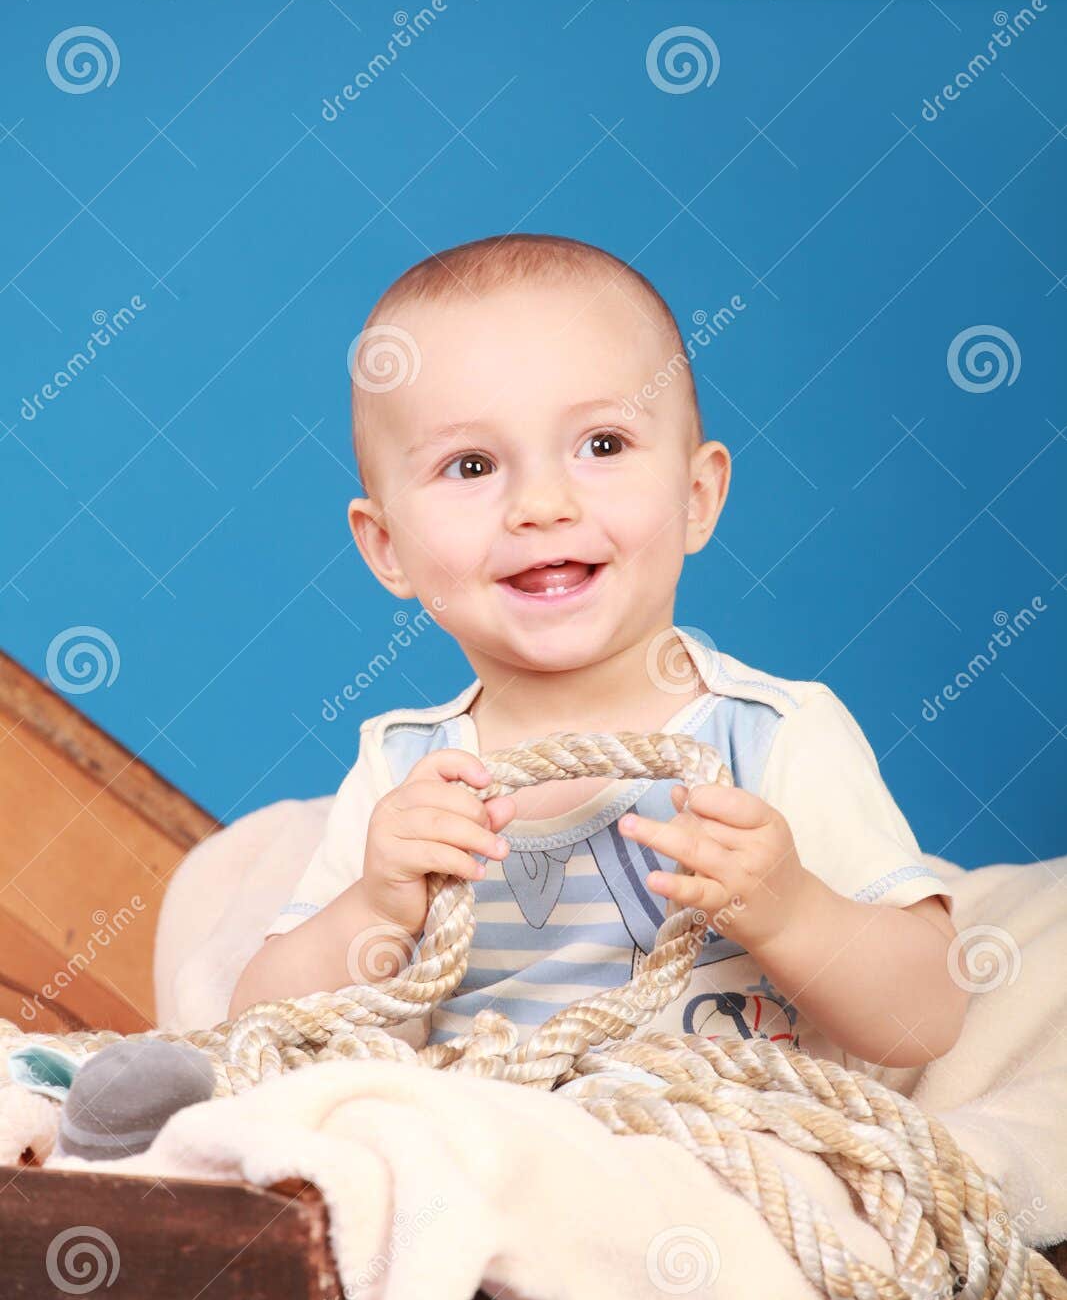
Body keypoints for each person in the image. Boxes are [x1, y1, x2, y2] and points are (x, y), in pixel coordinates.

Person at [229, 233, 967, 1072]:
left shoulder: (768, 736)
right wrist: (371, 909)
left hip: (704, 1146)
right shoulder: (406, 772)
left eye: (603, 446)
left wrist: (790, 911)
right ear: (386, 545)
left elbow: (928, 1015)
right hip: (489, 1150)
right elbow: (259, 1033)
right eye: (470, 465)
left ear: (697, 497)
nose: (540, 504)